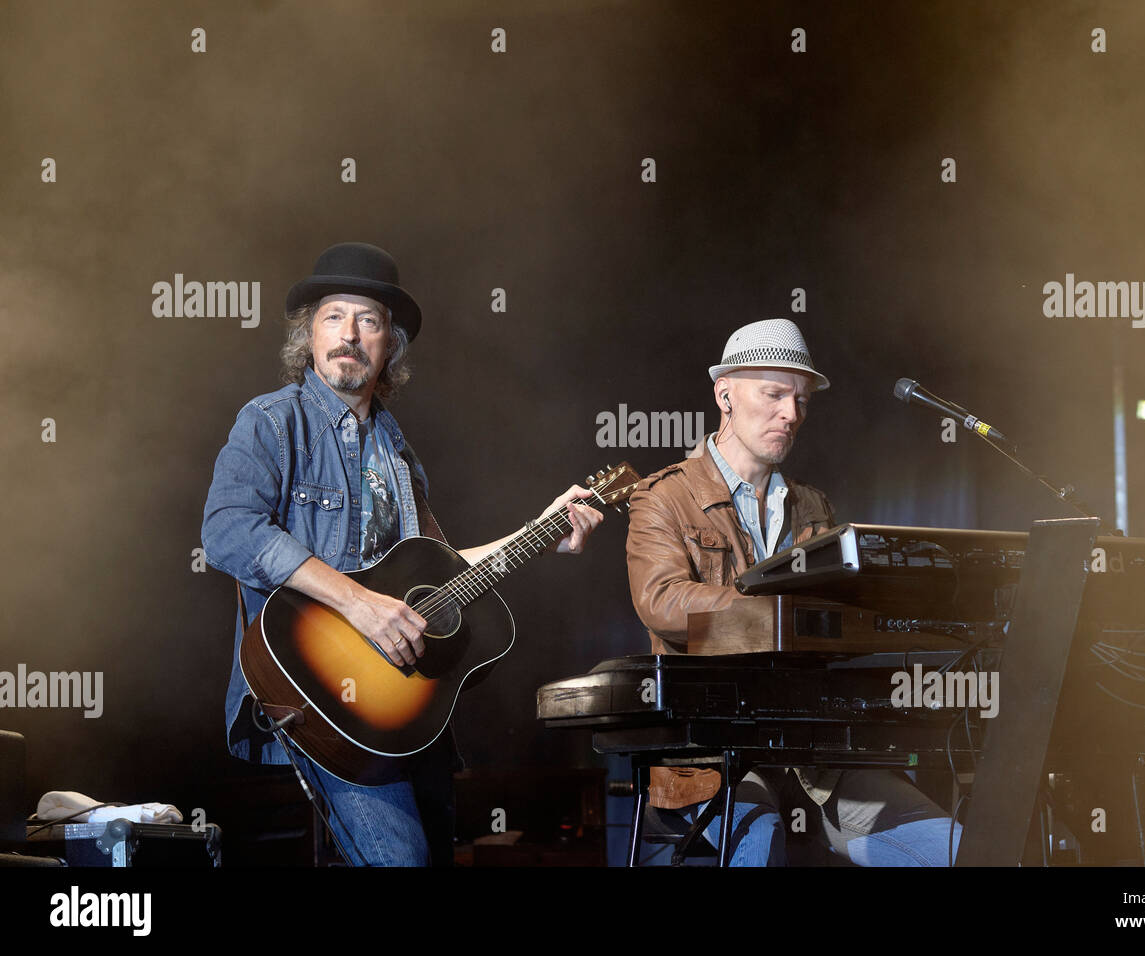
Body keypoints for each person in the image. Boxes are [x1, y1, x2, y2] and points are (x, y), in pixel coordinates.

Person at [201, 241, 602, 866]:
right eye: (334, 316)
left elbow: (440, 570)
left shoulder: (398, 452)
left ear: (391, 346)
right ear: (309, 333)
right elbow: (228, 531)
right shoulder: (270, 422)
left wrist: (542, 531)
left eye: (370, 321)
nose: (350, 335)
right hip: (320, 697)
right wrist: (361, 605)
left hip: (399, 706)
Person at [625, 318, 960, 866]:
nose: (792, 413)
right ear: (725, 394)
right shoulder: (663, 496)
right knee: (759, 840)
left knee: (953, 848)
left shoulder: (813, 506)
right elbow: (662, 603)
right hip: (707, 751)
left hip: (816, 752)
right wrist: (780, 612)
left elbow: (842, 615)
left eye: (801, 400)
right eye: (774, 393)